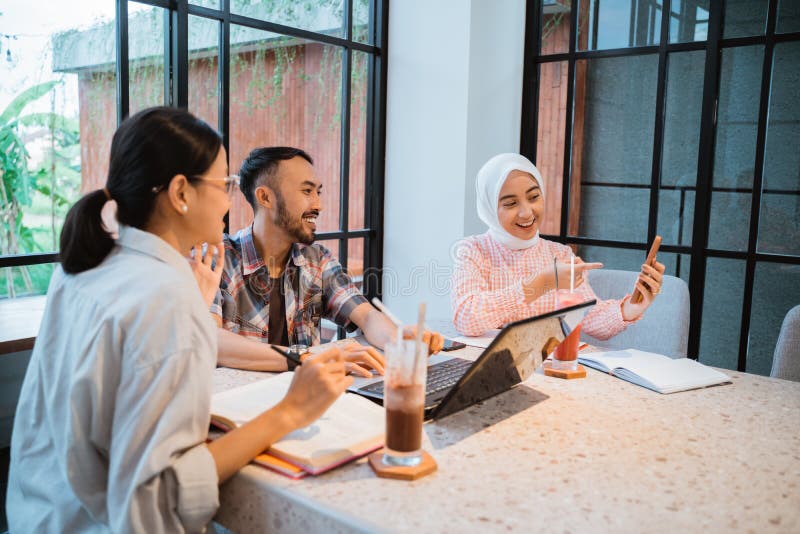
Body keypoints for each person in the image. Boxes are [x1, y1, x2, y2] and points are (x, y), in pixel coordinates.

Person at [7, 108, 351, 533]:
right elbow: (156, 502)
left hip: (37, 515)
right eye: (223, 185)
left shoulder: (84, 266)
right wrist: (290, 412)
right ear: (181, 193)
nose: (229, 201)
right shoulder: (165, 297)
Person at [213, 146, 444, 375]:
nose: (318, 205)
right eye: (306, 191)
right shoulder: (217, 259)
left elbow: (367, 316)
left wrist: (399, 340)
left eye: (318, 192)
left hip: (311, 397)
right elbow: (211, 341)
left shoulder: (317, 260)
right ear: (265, 197)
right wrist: (307, 358)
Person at [451, 153, 665, 338]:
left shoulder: (559, 254)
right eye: (510, 203)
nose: (527, 212)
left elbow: (589, 316)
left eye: (534, 197)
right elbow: (465, 317)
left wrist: (631, 308)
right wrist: (541, 282)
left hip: (546, 372)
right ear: (489, 208)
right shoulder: (473, 250)